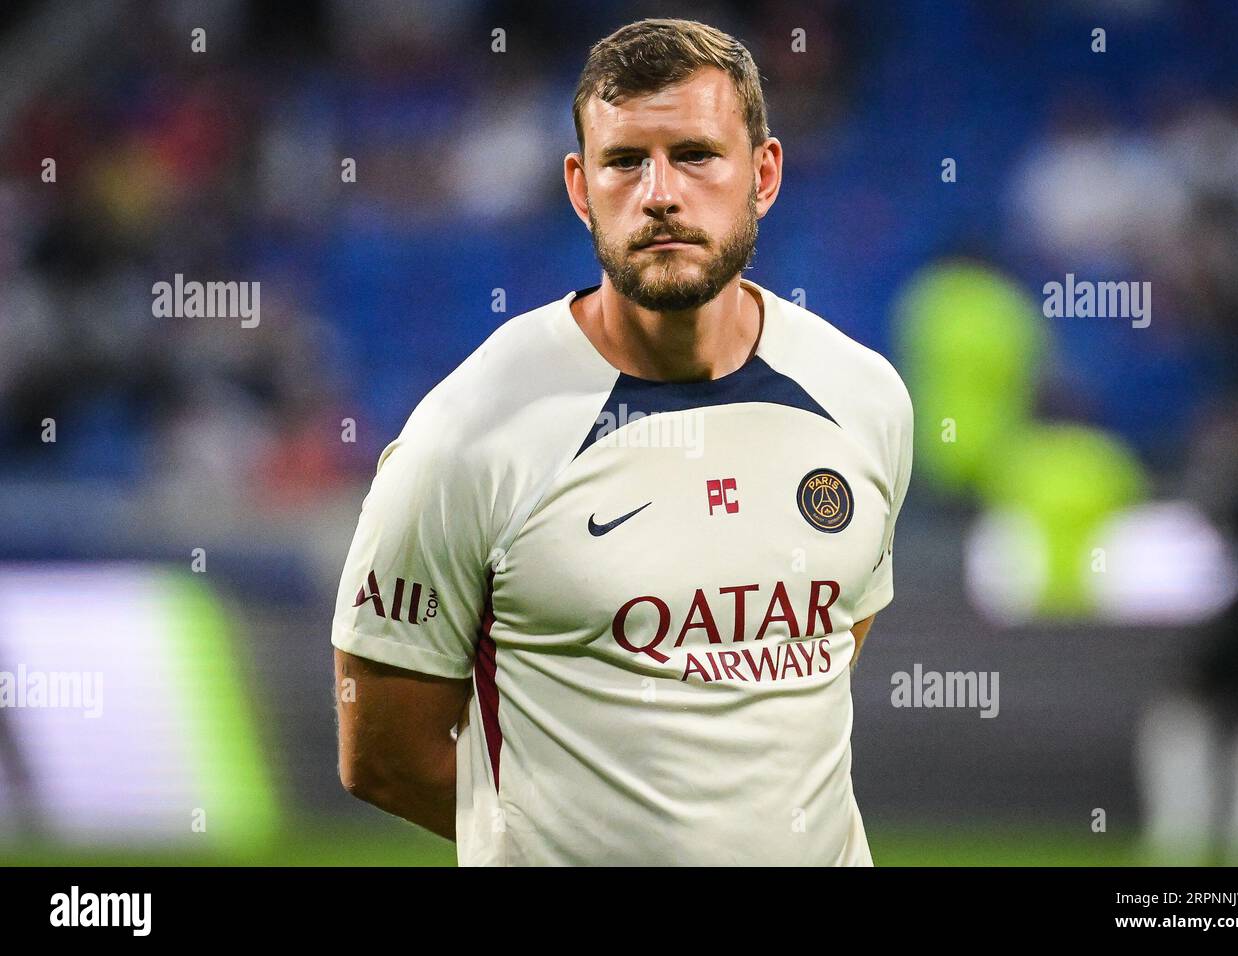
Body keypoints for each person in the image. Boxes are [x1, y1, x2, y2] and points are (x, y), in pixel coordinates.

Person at [332, 17, 913, 865]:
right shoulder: (468, 433)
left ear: (765, 174)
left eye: (696, 155)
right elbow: (383, 753)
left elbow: (822, 658)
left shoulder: (865, 399)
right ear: (580, 187)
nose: (661, 193)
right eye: (625, 161)